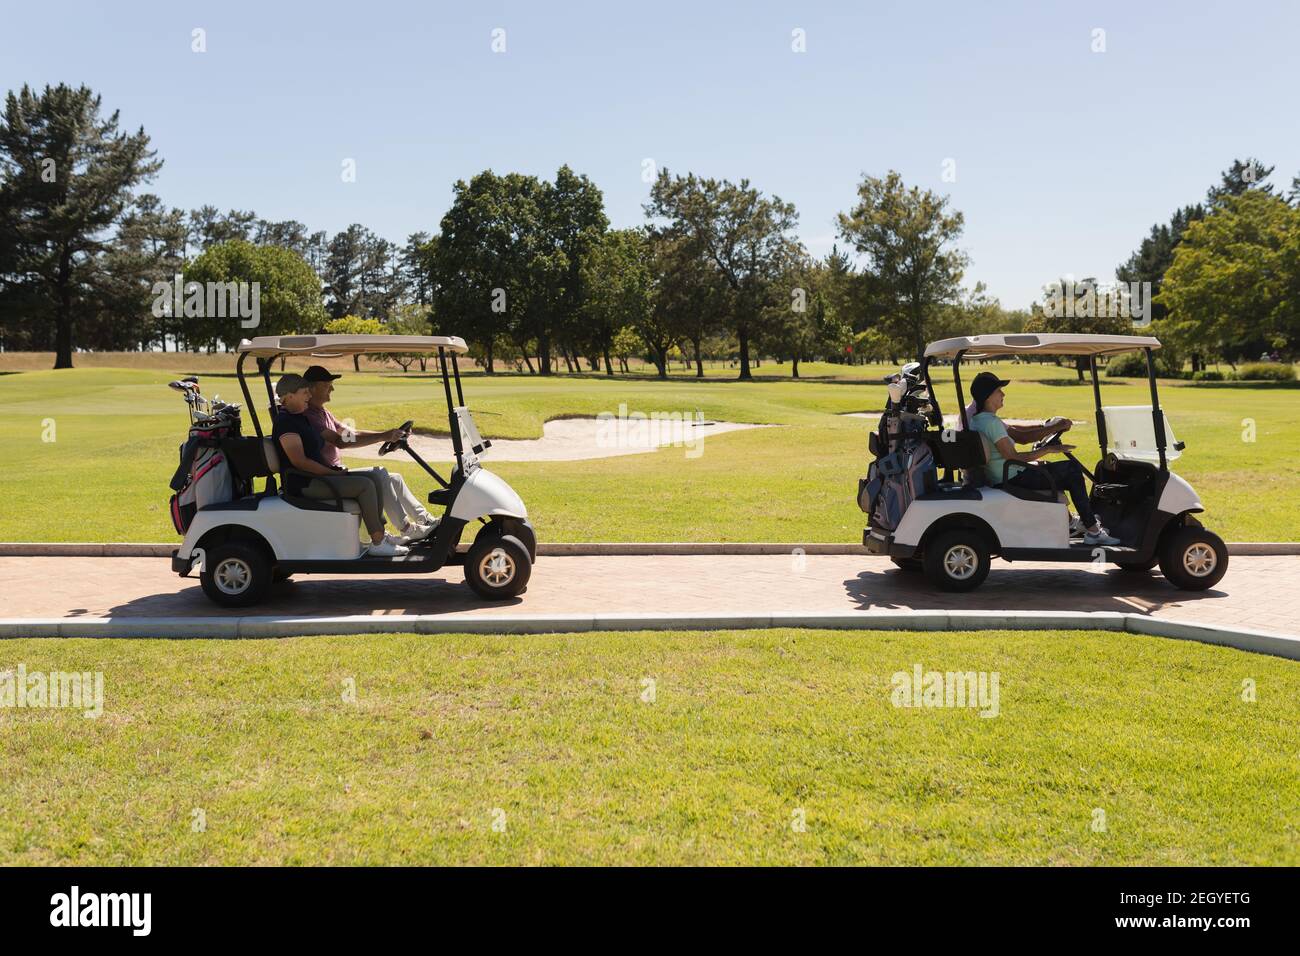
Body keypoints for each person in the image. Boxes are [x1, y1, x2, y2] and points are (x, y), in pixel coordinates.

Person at [967, 371, 1119, 546]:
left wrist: (1052, 427)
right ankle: (1093, 530)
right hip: (1013, 477)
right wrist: (1049, 449)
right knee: (1072, 470)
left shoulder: (980, 420)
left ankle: (1080, 521)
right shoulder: (991, 423)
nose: (1003, 394)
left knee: (1055, 468)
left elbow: (1021, 436)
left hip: (1007, 474)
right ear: (988, 396)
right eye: (999, 391)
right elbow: (1013, 457)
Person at [272, 374, 408, 557]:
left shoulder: (301, 418)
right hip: (305, 483)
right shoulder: (286, 422)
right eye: (304, 393)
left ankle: (381, 535)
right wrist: (331, 473)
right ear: (289, 396)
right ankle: (377, 542)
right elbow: (299, 461)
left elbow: (348, 434)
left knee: (375, 476)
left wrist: (385, 435)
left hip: (318, 477)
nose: (309, 396)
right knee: (365, 486)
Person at [300, 365, 438, 544]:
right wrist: (383, 436)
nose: (332, 389)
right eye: (327, 385)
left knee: (393, 478)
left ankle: (424, 519)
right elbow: (341, 442)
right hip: (325, 477)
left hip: (335, 474)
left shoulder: (322, 412)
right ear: (312, 388)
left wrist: (389, 434)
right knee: (380, 474)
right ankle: (407, 529)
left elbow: (350, 433)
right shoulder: (310, 416)